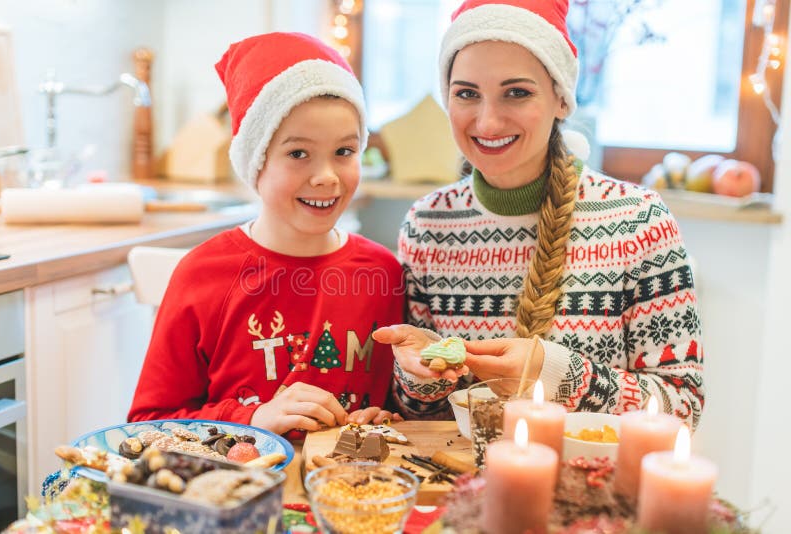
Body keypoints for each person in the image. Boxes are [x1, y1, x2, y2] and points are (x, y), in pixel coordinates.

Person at [374, 0, 704, 429]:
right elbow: (418, 416)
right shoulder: (427, 226)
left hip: (590, 487)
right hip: (462, 487)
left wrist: (554, 372)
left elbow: (682, 408)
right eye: (467, 93)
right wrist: (422, 376)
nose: (488, 121)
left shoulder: (640, 222)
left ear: (561, 99)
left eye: (517, 92)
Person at [129, 32, 405, 435]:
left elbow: (397, 405)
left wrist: (383, 418)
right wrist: (253, 420)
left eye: (344, 152)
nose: (326, 176)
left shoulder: (384, 273)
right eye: (298, 154)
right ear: (256, 163)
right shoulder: (202, 275)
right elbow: (146, 425)